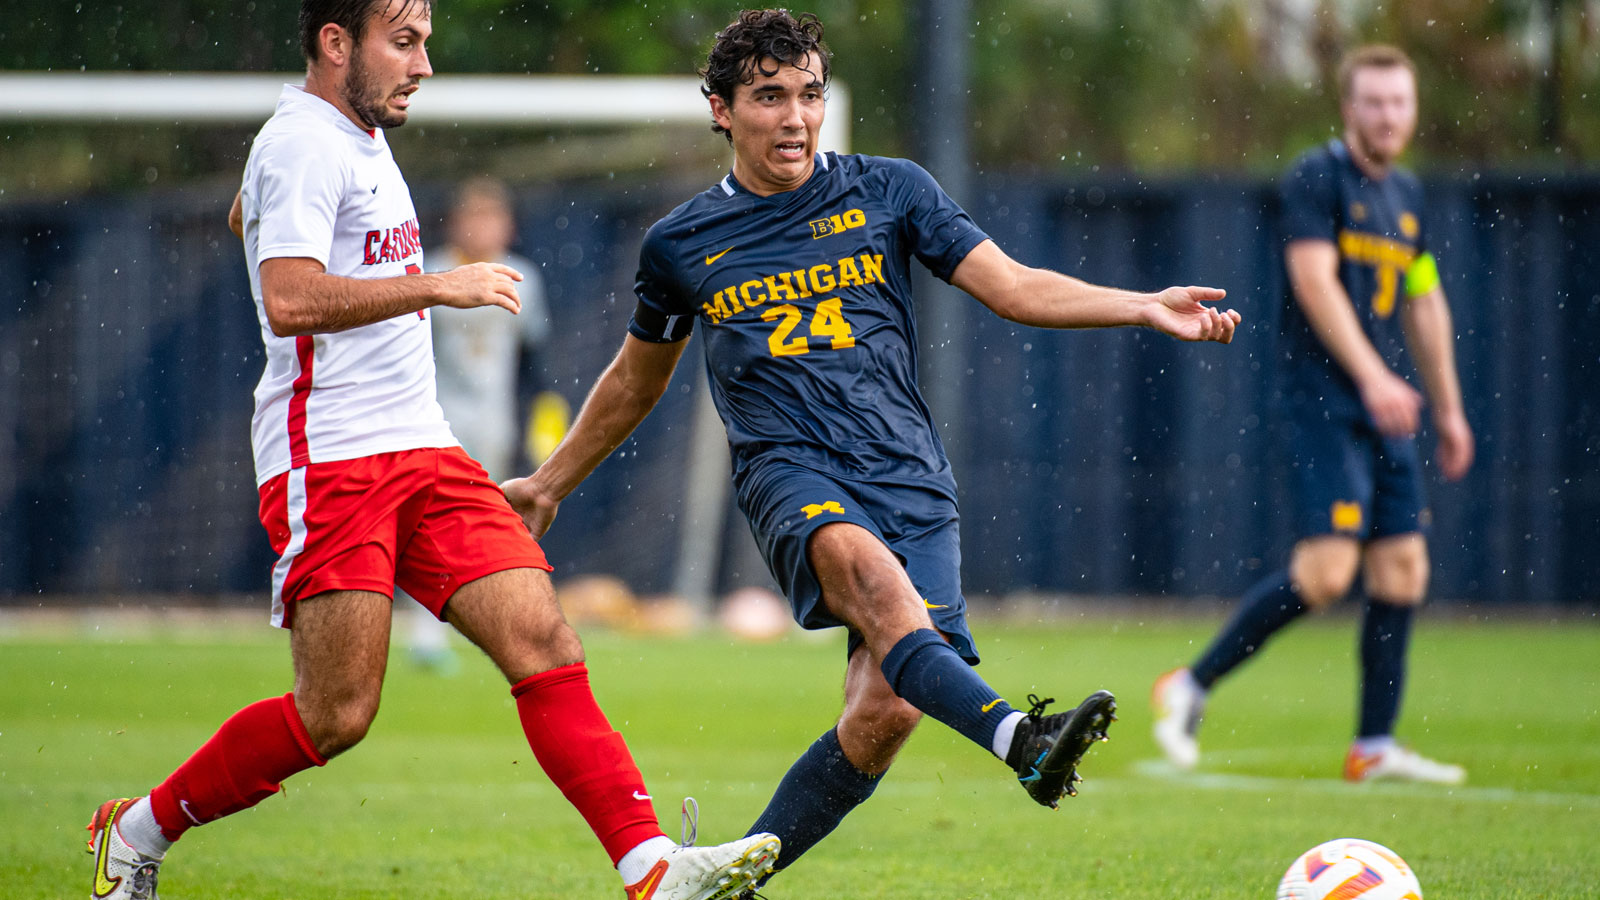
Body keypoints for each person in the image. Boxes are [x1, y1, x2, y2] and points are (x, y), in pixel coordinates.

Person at [502, 8, 1240, 889]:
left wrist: (1141, 303)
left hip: (909, 475)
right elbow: (636, 379)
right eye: (769, 97)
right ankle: (1024, 741)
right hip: (789, 470)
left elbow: (1012, 286)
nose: (795, 117)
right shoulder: (681, 243)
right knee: (881, 588)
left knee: (886, 707)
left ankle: (716, 884)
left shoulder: (892, 190)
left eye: (808, 94)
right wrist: (550, 484)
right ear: (720, 109)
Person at [85, 3, 779, 899]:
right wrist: (438, 284)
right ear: (337, 42)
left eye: (424, 43)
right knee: (337, 715)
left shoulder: (344, 138)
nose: (424, 64)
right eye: (403, 42)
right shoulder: (302, 142)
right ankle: (135, 829)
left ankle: (650, 871)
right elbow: (290, 299)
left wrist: (267, 215)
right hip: (332, 459)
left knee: (544, 637)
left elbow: (253, 221)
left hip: (425, 448)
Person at [1152, 45, 1474, 785]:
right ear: (1348, 108)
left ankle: (1373, 745)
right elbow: (1314, 281)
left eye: (1400, 102)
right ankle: (1190, 685)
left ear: (1413, 109)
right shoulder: (1316, 178)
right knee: (1327, 574)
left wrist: (1450, 410)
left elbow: (1424, 302)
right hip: (1323, 402)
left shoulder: (1408, 198)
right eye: (1375, 102)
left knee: (1402, 568)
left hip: (1383, 405)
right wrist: (1373, 377)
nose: (1389, 116)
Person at [402, 177, 552, 673]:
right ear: (457, 221)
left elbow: (533, 361)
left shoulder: (524, 275)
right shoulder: (426, 273)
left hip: (495, 427)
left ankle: (486, 629)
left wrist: (543, 419)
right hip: (433, 424)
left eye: (494, 217)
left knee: (484, 531)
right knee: (423, 528)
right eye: (475, 216)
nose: (485, 227)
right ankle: (423, 635)